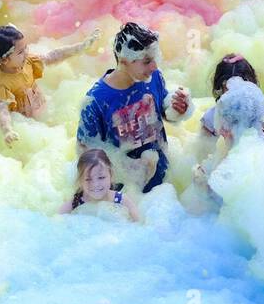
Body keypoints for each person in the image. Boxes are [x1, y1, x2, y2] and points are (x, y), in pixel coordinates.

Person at [77, 21, 192, 191]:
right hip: (125, 192)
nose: (154, 66)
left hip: (162, 187)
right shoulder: (96, 100)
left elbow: (162, 110)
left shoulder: (153, 78)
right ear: (123, 61)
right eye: (146, 61)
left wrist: (176, 109)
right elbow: (86, 151)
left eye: (155, 59)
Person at [0, 23, 99, 145]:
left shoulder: (27, 61)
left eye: (26, 47)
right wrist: (7, 131)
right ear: (4, 60)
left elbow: (53, 56)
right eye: (20, 52)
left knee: (55, 131)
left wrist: (80, 47)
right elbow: (2, 110)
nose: (26, 52)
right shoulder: (2, 84)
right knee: (39, 138)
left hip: (38, 102)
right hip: (23, 117)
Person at [60, 148, 143, 219]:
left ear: (111, 175)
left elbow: (138, 224)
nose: (95, 184)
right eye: (88, 179)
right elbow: (56, 223)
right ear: (80, 181)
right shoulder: (75, 203)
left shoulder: (121, 200)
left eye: (101, 177)